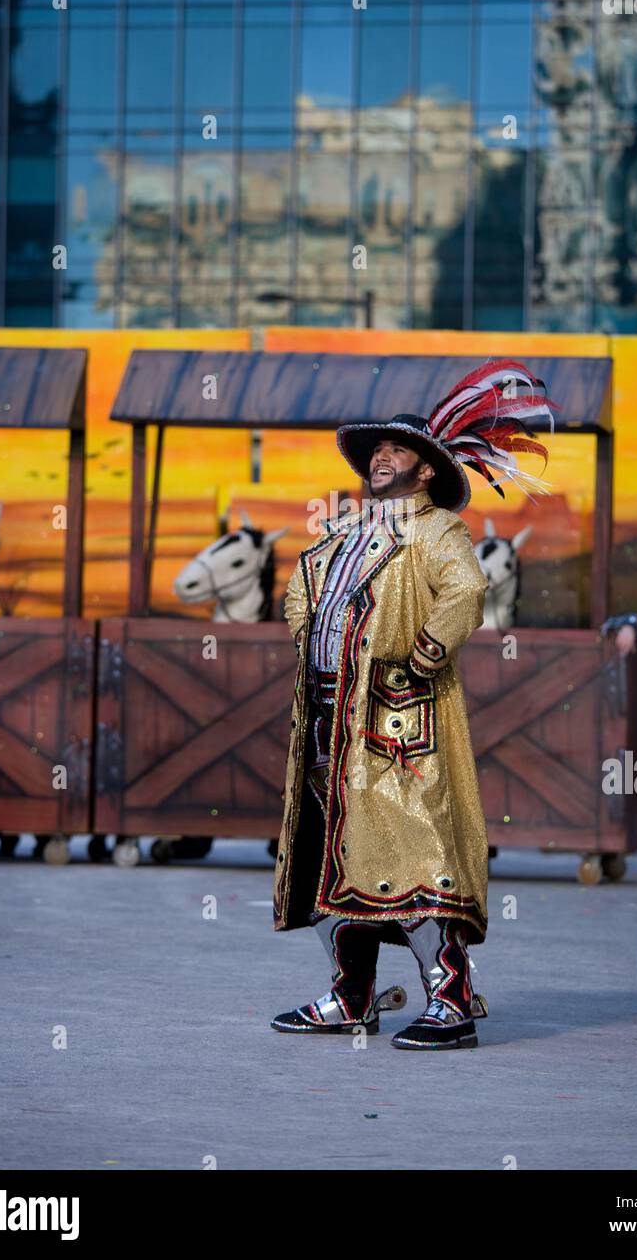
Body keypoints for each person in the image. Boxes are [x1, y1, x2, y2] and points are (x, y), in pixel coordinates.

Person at [270, 360, 553, 1050]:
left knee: (415, 858)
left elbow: (466, 594)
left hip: (398, 723)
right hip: (328, 718)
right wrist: (317, 636)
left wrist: (419, 658)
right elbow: (302, 591)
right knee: (327, 856)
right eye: (377, 450)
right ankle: (352, 998)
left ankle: (452, 1003)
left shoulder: (437, 533)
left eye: (395, 450)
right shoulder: (342, 535)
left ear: (426, 470)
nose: (380, 457)